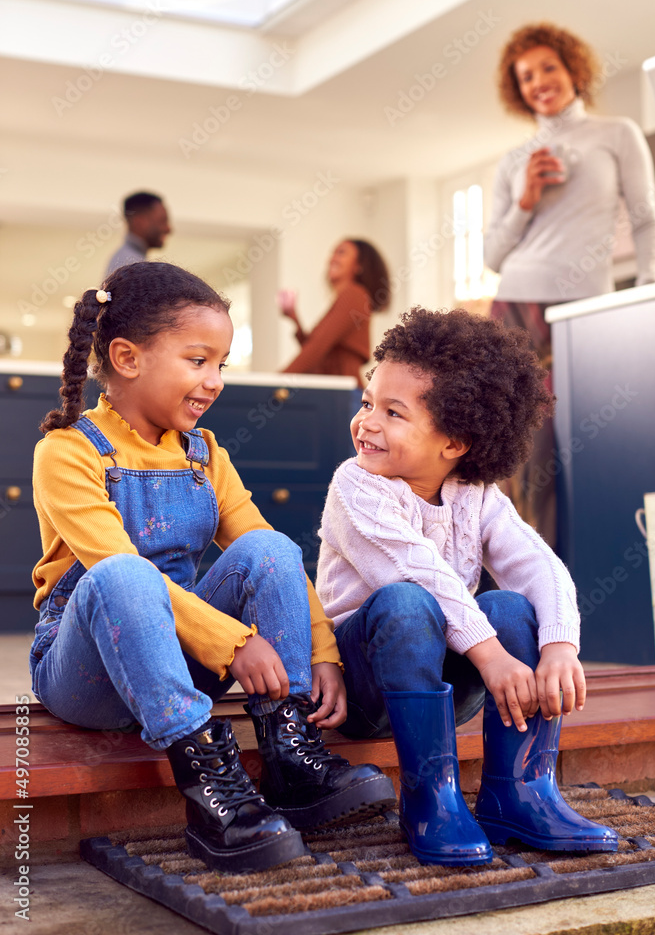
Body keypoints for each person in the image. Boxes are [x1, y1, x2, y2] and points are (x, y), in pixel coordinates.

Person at [29, 262, 394, 875]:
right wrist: (235, 642)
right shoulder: (66, 452)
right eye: (199, 360)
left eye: (221, 364)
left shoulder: (205, 453)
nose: (215, 380)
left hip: (186, 659)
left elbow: (264, 550)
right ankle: (209, 788)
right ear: (126, 357)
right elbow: (117, 570)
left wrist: (323, 649)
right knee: (124, 574)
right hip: (89, 675)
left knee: (270, 548)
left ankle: (290, 757)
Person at [316, 306, 619, 866]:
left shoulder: (475, 494)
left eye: (393, 412)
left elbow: (539, 564)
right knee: (408, 602)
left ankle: (520, 792)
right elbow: (418, 573)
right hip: (364, 688)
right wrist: (493, 657)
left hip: (447, 684)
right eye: (367, 403)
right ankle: (429, 796)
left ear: (454, 441)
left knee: (511, 605)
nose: (367, 422)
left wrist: (559, 648)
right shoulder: (355, 487)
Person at [484, 23, 655, 548]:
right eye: (526, 76)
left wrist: (647, 299)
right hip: (514, 306)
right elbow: (493, 256)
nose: (539, 82)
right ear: (516, 90)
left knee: (588, 449)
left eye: (548, 68)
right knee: (515, 451)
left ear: (573, 70)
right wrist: (525, 198)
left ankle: (576, 585)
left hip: (585, 311)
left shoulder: (617, 134)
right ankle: (518, 591)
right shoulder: (514, 161)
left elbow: (649, 220)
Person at [278, 238, 390, 387]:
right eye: (333, 253)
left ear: (359, 265)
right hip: (335, 390)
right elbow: (320, 350)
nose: (332, 259)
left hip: (341, 394)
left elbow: (318, 346)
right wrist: (295, 320)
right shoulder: (347, 298)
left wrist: (276, 382)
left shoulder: (354, 294)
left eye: (341, 253)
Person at [104, 192, 172, 278]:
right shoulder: (129, 266)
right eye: (162, 221)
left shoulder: (127, 259)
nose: (168, 229)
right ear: (140, 222)